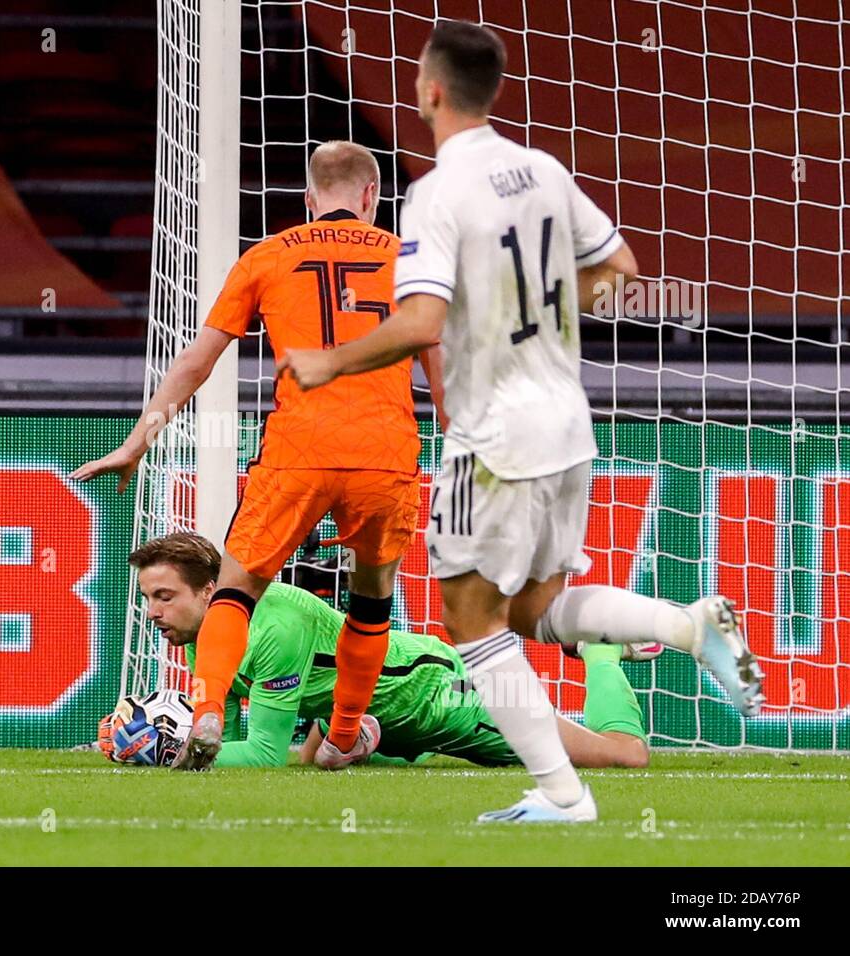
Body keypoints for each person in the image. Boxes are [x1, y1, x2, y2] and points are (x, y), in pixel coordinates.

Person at [278, 21, 762, 821]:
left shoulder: (435, 194)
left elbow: (421, 322)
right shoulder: (540, 169)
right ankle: (688, 623)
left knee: (469, 621)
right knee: (533, 611)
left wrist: (329, 361)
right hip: (568, 423)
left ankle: (565, 794)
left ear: (429, 91)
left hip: (495, 436)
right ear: (492, 91)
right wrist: (539, 310)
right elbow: (622, 271)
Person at [76, 142, 445, 771]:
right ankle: (344, 736)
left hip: (298, 448)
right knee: (373, 596)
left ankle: (211, 708)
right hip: (384, 451)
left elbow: (198, 359)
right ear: (372, 198)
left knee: (236, 589)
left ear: (307, 198)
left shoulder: (268, 256)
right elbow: (445, 376)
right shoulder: (415, 261)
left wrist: (142, 437)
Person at [118, 532, 651, 770]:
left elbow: (258, 755)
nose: (154, 613)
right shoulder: (202, 636)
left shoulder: (275, 626)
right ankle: (365, 739)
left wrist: (171, 754)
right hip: (361, 709)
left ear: (211, 591)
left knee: (622, 756)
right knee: (316, 762)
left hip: (439, 695)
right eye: (149, 599)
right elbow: (234, 747)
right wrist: (190, 748)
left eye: (164, 597)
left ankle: (600, 652)